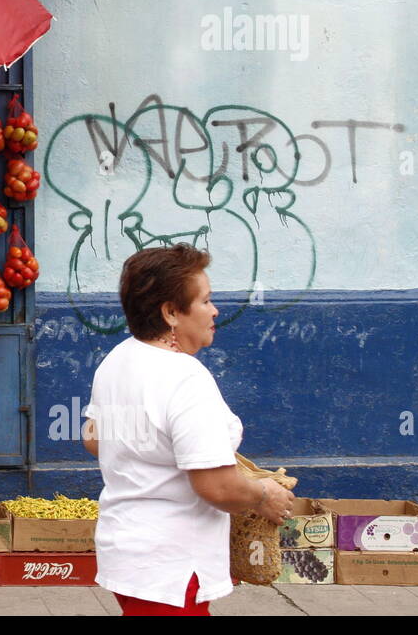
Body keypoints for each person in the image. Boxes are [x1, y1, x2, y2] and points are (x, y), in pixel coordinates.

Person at [82, 243, 294, 616]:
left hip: (128, 553)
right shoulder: (184, 377)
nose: (215, 311)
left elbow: (93, 437)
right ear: (171, 313)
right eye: (206, 301)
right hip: (173, 566)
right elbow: (217, 487)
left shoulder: (117, 361)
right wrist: (264, 495)